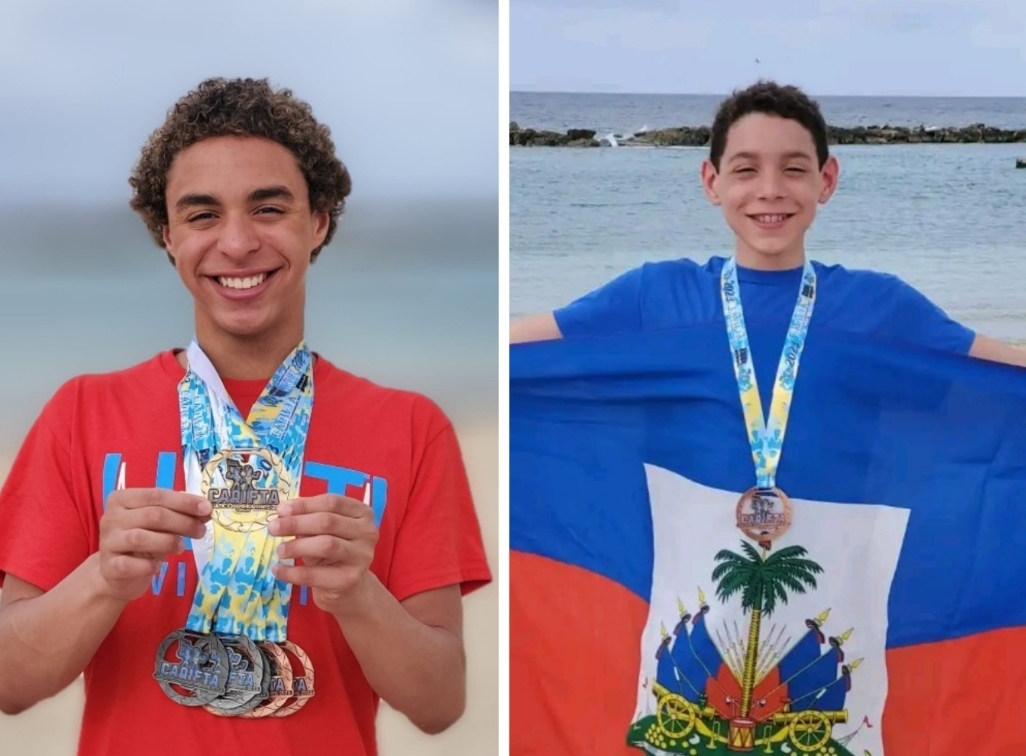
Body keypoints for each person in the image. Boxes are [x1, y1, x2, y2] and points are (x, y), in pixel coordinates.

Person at [0, 77, 492, 756]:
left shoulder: (410, 428)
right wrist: (103, 577)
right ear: (167, 235)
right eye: (202, 215)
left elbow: (440, 704)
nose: (236, 244)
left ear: (317, 221)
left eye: (268, 208)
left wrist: (357, 594)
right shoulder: (83, 414)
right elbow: (11, 683)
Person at [510, 80, 1026, 369]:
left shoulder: (882, 305)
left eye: (795, 168)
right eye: (746, 169)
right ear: (711, 181)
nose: (771, 189)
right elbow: (512, 346)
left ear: (827, 180)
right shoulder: (654, 294)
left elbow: (1000, 370)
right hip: (683, 554)